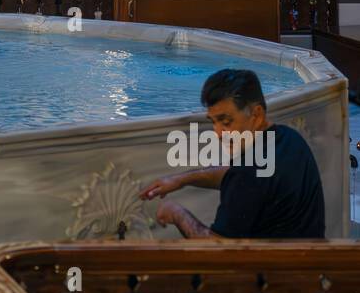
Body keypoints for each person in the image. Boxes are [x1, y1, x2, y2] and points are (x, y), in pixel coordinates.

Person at [138, 68, 325, 239]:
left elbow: (218, 251)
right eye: (213, 122)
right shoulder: (290, 139)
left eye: (226, 122)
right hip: (312, 259)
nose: (218, 133)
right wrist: (181, 180)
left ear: (257, 114)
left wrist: (177, 214)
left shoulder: (247, 174)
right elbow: (235, 174)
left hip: (272, 266)